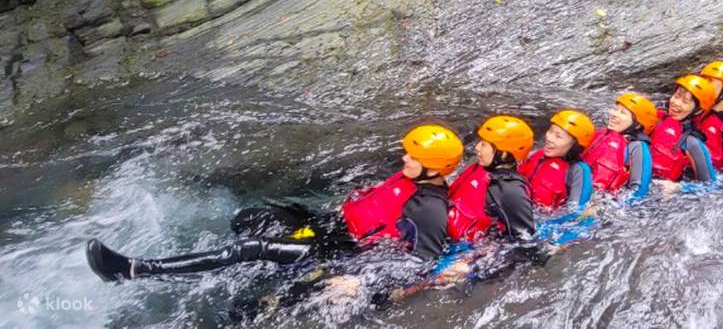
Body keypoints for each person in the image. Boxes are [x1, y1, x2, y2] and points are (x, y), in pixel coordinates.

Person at [85, 125, 464, 282]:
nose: (404, 161)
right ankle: (256, 268)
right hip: (326, 228)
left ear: (433, 168)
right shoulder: (415, 177)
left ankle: (134, 270)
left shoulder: (428, 208)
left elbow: (423, 264)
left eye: (413, 158)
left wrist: (357, 280)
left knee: (252, 247)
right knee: (250, 216)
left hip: (340, 253)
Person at [447, 116, 537, 243]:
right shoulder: (480, 168)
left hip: (464, 250)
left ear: (504, 154)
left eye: (484, 144)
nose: (477, 147)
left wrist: (472, 261)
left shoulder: (511, 192)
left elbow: (524, 241)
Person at [581, 93, 657, 200]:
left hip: (603, 203)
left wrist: (605, 204)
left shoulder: (637, 147)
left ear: (638, 125)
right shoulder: (600, 135)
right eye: (616, 109)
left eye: (623, 113)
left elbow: (639, 192)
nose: (614, 114)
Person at [518, 110, 595, 213]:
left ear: (574, 146)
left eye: (558, 136)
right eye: (550, 131)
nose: (549, 138)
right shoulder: (537, 154)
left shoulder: (578, 171)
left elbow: (575, 213)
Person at [650, 75, 719, 183]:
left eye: (685, 101)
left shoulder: (692, 142)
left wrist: (679, 188)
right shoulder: (655, 118)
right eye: (676, 96)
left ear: (697, 110)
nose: (676, 103)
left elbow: (710, 185)